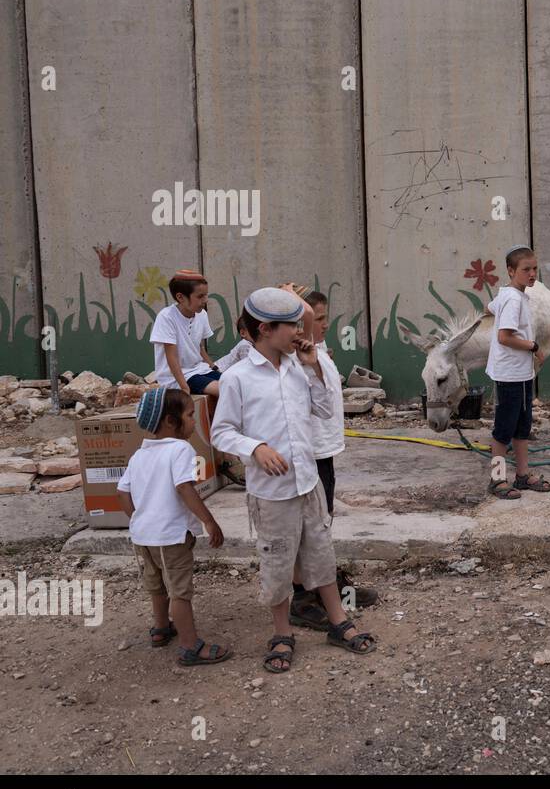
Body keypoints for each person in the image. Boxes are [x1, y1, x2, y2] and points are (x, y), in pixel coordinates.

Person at [210, 287, 377, 674]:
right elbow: (221, 432)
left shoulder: (297, 366)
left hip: (307, 482)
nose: (301, 334)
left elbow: (322, 408)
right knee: (278, 562)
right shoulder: (237, 378)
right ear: (266, 329)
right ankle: (282, 632)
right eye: (293, 328)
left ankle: (338, 622)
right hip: (271, 494)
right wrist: (256, 448)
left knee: (321, 553)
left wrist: (312, 365)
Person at [116, 387, 231, 666]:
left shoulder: (140, 455)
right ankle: (191, 646)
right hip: (170, 537)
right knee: (180, 592)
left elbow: (122, 492)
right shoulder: (180, 448)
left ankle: (160, 629)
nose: (194, 421)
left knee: (157, 586)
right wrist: (209, 520)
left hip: (143, 537)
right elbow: (184, 487)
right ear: (170, 420)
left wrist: (139, 519)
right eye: (190, 415)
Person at [289, 291, 379, 630]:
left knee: (323, 521)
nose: (326, 324)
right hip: (309, 453)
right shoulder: (295, 354)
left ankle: (326, 582)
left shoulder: (316, 351)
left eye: (326, 317)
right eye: (319, 318)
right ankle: (302, 596)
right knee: (308, 526)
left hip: (323, 451)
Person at [485, 245, 550, 499]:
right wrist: (533, 346)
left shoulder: (509, 295)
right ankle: (497, 479)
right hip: (509, 375)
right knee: (503, 431)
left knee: (522, 428)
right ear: (511, 271)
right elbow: (504, 337)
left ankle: (522, 476)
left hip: (521, 375)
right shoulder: (513, 299)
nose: (532, 274)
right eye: (526, 270)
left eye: (535, 269)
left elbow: (490, 308)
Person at [150, 269, 221, 401]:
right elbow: (172, 357)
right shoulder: (166, 317)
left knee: (236, 385)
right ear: (180, 297)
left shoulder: (202, 315)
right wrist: (184, 388)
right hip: (180, 377)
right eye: (200, 296)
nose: (205, 300)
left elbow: (199, 348)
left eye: (206, 295)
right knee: (225, 390)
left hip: (200, 370)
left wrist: (214, 367)